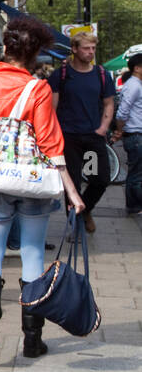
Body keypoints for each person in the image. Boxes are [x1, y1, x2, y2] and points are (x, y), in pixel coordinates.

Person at [0, 17, 85, 361]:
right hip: (34, 183)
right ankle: (32, 339)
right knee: (33, 253)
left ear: (4, 48)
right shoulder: (37, 89)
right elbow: (52, 143)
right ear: (35, 54)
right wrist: (72, 191)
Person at [49, 32, 115, 233]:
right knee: (73, 183)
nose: (91, 52)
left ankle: (86, 209)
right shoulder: (60, 74)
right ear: (75, 49)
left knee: (100, 179)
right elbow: (52, 107)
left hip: (92, 136)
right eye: (86, 48)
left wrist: (103, 128)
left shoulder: (101, 74)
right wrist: (55, 133)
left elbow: (109, 103)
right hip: (69, 137)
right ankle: (76, 224)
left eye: (93, 48)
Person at [111, 52, 142, 214]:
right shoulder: (134, 85)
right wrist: (119, 130)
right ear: (137, 68)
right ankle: (135, 205)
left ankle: (134, 205)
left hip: (135, 134)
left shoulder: (134, 84)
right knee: (137, 173)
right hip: (135, 135)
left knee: (136, 171)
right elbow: (123, 112)